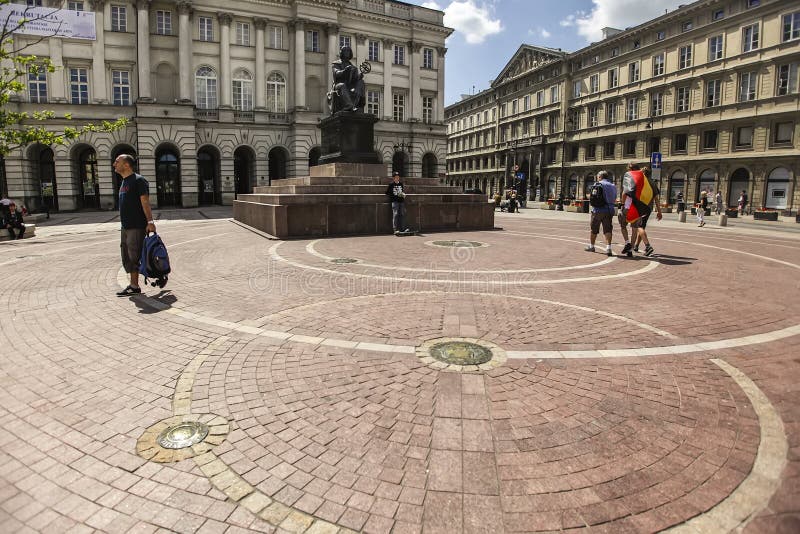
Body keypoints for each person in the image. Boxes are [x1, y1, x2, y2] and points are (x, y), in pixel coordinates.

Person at [114, 154, 156, 296]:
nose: (114, 164)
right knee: (126, 255)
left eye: (117, 161)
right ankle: (133, 284)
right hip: (126, 226)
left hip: (136, 226)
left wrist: (150, 222)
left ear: (126, 165)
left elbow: (145, 202)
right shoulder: (124, 181)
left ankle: (134, 285)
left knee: (134, 256)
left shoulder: (138, 180)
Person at [620, 163, 662, 257]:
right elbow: (656, 199)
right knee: (640, 227)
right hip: (647, 208)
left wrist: (622, 205)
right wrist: (659, 212)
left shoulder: (637, 180)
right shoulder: (653, 183)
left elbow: (625, 192)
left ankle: (646, 245)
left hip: (636, 207)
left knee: (636, 227)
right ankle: (636, 246)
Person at [585, 170, 617, 256]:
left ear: (600, 177)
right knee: (608, 229)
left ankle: (592, 246)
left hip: (598, 210)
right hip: (609, 210)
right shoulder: (613, 186)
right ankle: (608, 248)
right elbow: (614, 198)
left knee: (594, 229)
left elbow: (592, 197)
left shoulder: (597, 184)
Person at [328, 46, 366, 113]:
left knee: (361, 82)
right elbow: (336, 73)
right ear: (341, 53)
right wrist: (344, 71)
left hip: (350, 86)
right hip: (338, 85)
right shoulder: (336, 64)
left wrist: (359, 77)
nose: (347, 52)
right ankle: (349, 105)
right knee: (343, 85)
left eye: (348, 51)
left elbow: (354, 79)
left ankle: (357, 105)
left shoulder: (353, 67)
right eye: (345, 51)